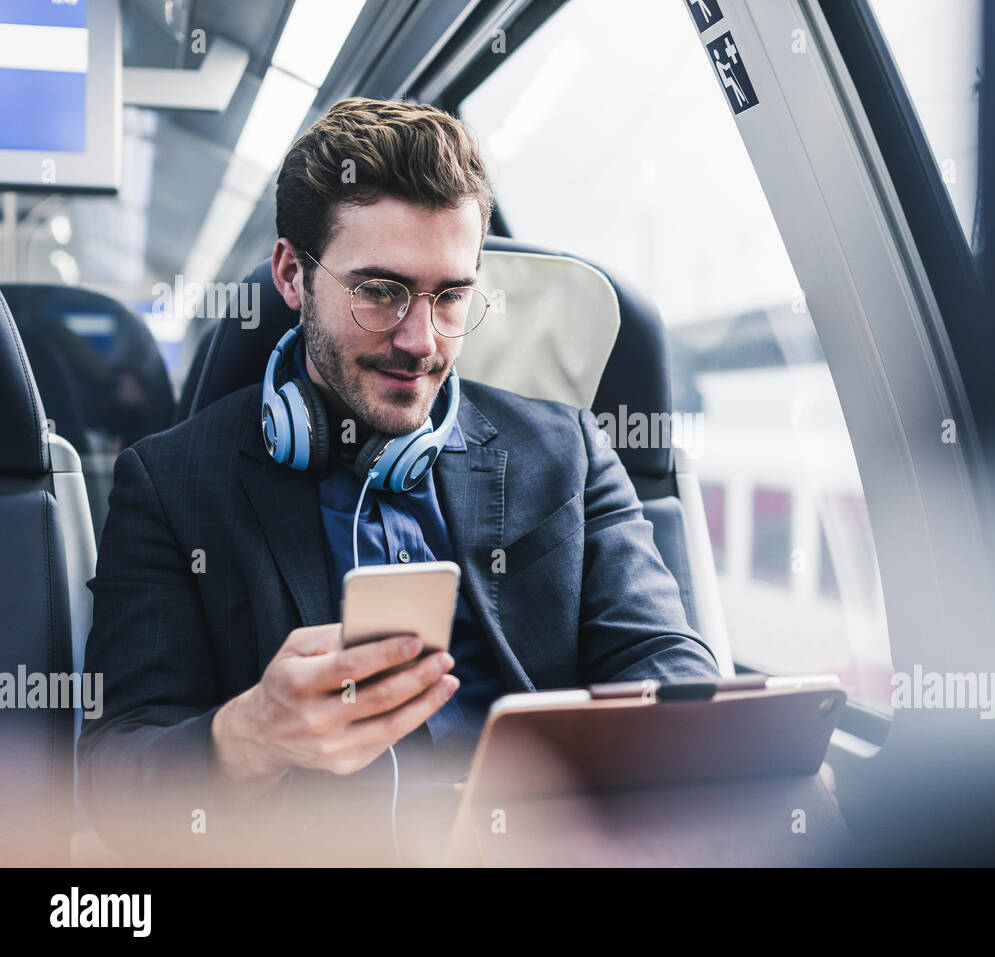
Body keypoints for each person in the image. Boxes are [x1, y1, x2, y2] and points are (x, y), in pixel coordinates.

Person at [77, 98, 720, 864]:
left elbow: (670, 669)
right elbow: (114, 781)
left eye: (450, 296)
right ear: (292, 274)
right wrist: (247, 734)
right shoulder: (173, 482)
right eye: (379, 291)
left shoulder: (569, 453)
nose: (420, 342)